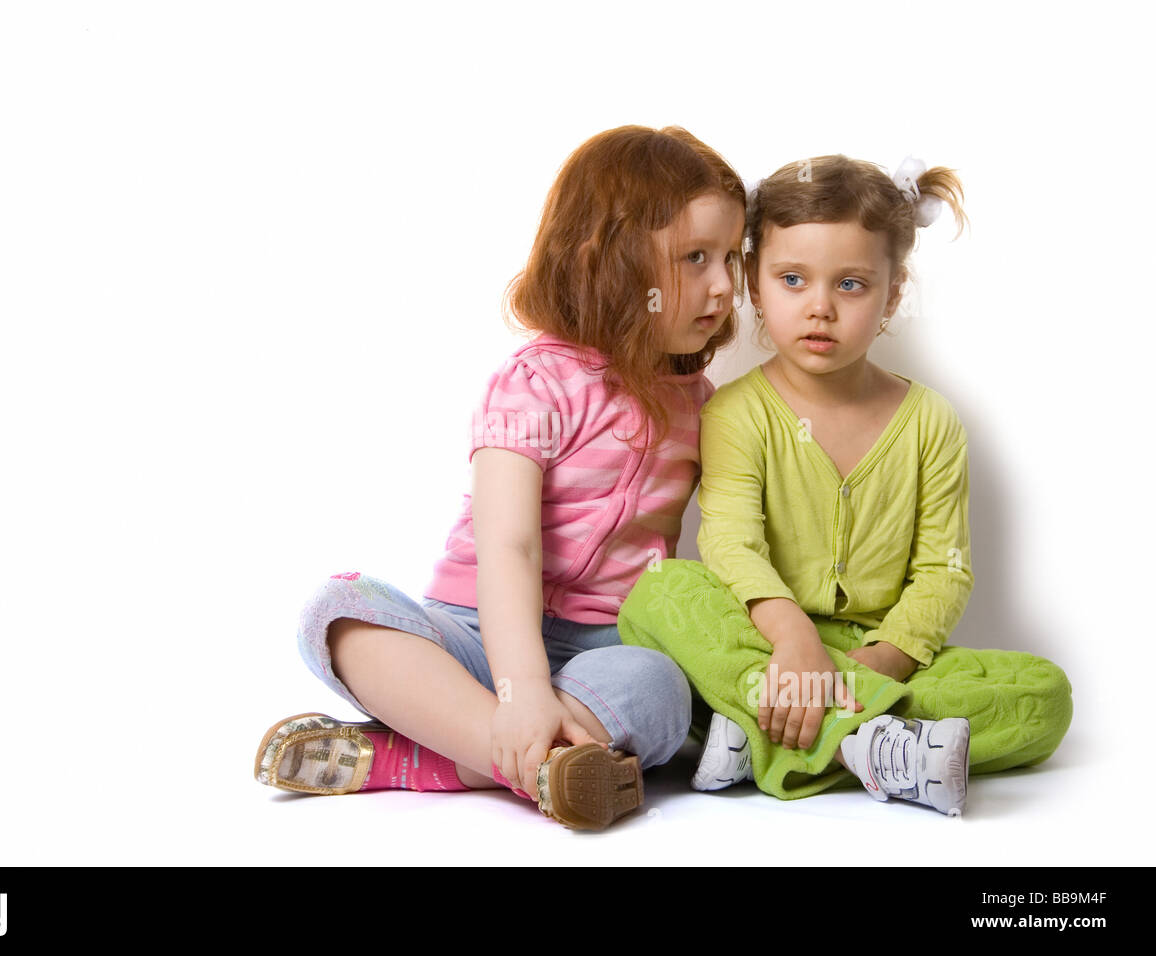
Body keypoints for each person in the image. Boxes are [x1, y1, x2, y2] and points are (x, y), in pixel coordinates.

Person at [254, 125, 749, 829]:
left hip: (602, 652)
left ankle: (421, 760)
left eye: (732, 257)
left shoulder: (706, 409)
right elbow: (508, 547)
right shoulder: (532, 383)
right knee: (336, 611)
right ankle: (537, 759)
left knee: (662, 686)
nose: (725, 285)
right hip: (473, 634)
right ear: (609, 262)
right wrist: (518, 691)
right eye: (695, 258)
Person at [618, 154, 1072, 816]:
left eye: (852, 285)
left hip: (880, 655)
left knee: (1045, 695)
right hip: (766, 641)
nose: (820, 308)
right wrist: (796, 641)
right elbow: (731, 545)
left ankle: (760, 732)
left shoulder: (932, 423)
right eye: (793, 279)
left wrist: (880, 661)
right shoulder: (734, 413)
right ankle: (866, 744)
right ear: (753, 282)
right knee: (662, 592)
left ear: (892, 294)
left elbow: (943, 573)